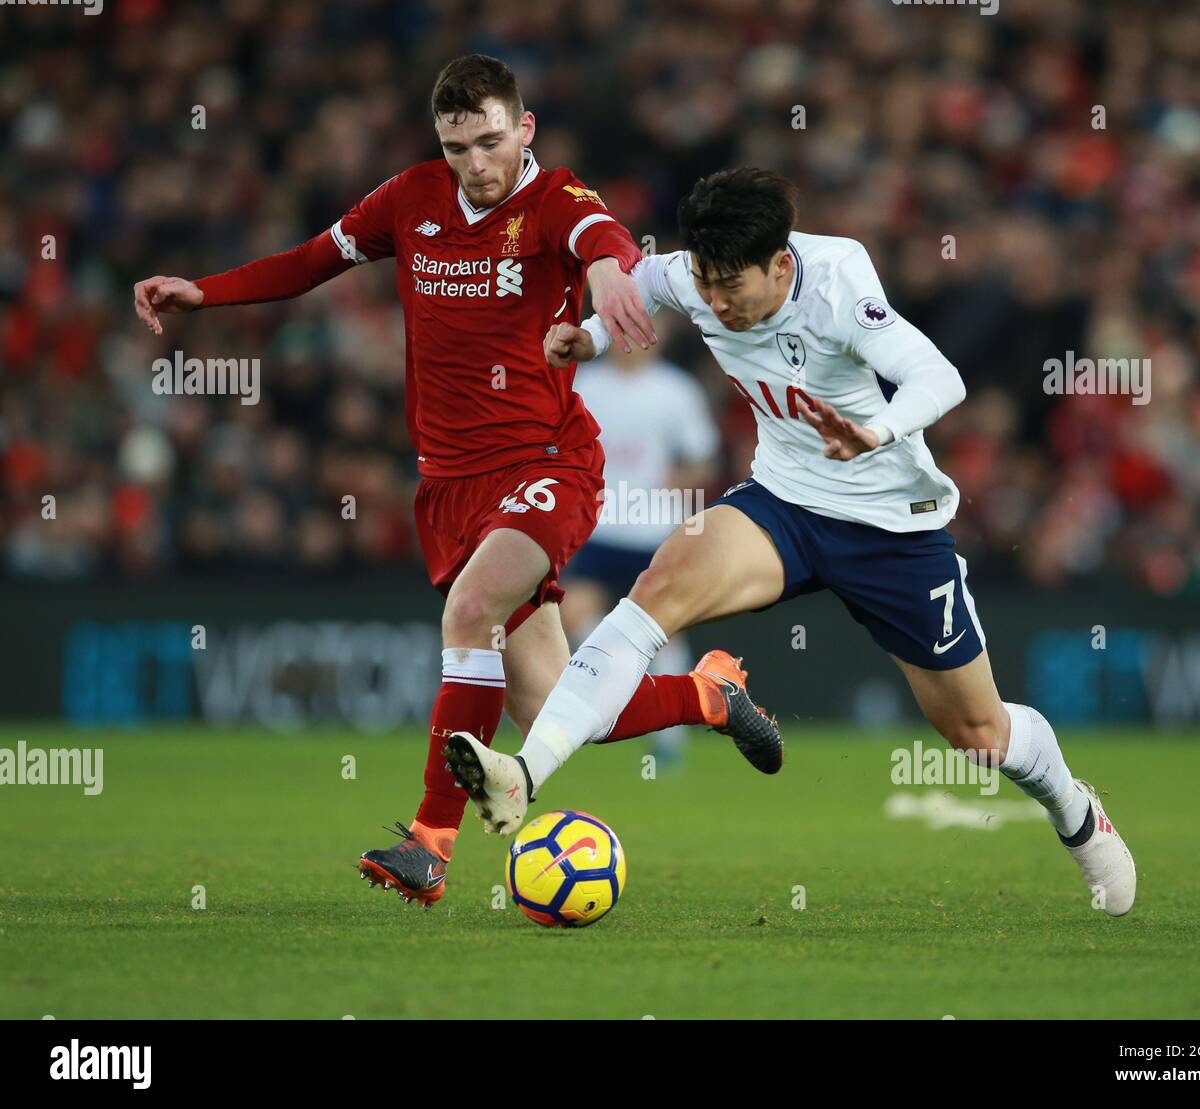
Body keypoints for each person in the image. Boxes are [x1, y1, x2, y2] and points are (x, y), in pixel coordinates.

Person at [132, 59, 781, 910]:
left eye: (489, 141)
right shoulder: (409, 200)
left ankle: (429, 846)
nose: (475, 162)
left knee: (468, 613)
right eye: (456, 146)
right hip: (448, 485)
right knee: (553, 703)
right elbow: (307, 263)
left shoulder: (555, 203)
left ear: (525, 129)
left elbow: (604, 241)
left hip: (547, 463)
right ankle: (709, 692)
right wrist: (202, 295)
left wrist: (613, 273)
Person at [443, 167, 1137, 917]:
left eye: (730, 288)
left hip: (890, 527)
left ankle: (1074, 808)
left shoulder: (839, 283)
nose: (714, 302)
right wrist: (595, 335)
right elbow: (641, 287)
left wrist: (876, 431)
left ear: (780, 265)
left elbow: (939, 376)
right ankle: (525, 771)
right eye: (705, 283)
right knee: (657, 591)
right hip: (784, 502)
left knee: (978, 731)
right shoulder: (694, 273)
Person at [561, 329, 721, 766]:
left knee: (663, 631)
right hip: (595, 526)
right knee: (575, 613)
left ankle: (670, 737)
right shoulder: (585, 385)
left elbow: (704, 460)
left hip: (653, 530)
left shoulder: (677, 391)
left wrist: (675, 483)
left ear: (658, 339)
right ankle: (612, 706)